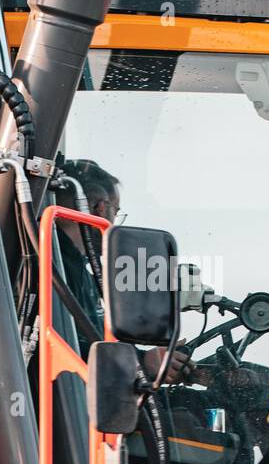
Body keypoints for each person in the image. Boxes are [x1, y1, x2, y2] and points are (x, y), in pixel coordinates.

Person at [55, 158, 189, 382]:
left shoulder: (74, 269)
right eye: (115, 213)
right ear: (101, 208)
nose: (114, 224)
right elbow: (63, 347)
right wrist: (143, 362)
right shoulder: (54, 270)